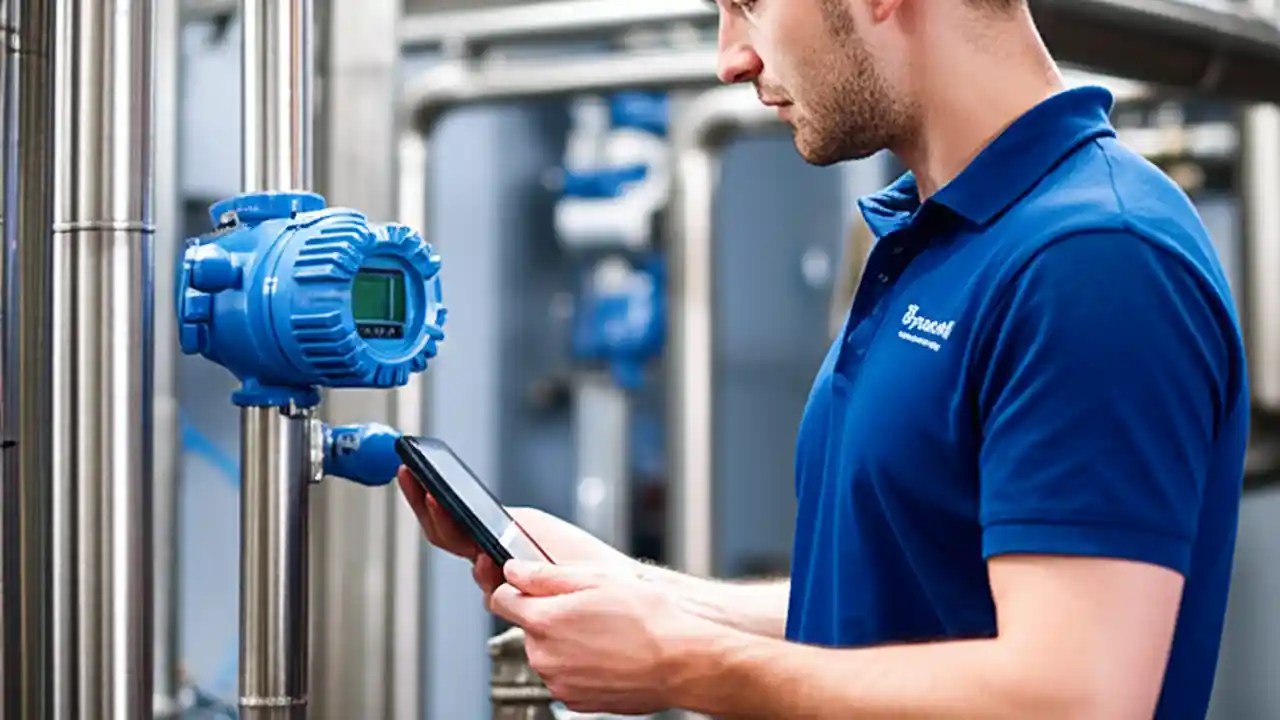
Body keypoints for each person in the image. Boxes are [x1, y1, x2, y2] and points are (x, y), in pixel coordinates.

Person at [398, 0, 1249, 717]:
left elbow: (1071, 698)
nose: (731, 58)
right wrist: (645, 594)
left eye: (749, 3)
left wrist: (684, 663)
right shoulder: (936, 239)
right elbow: (895, 611)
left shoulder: (1096, 257)